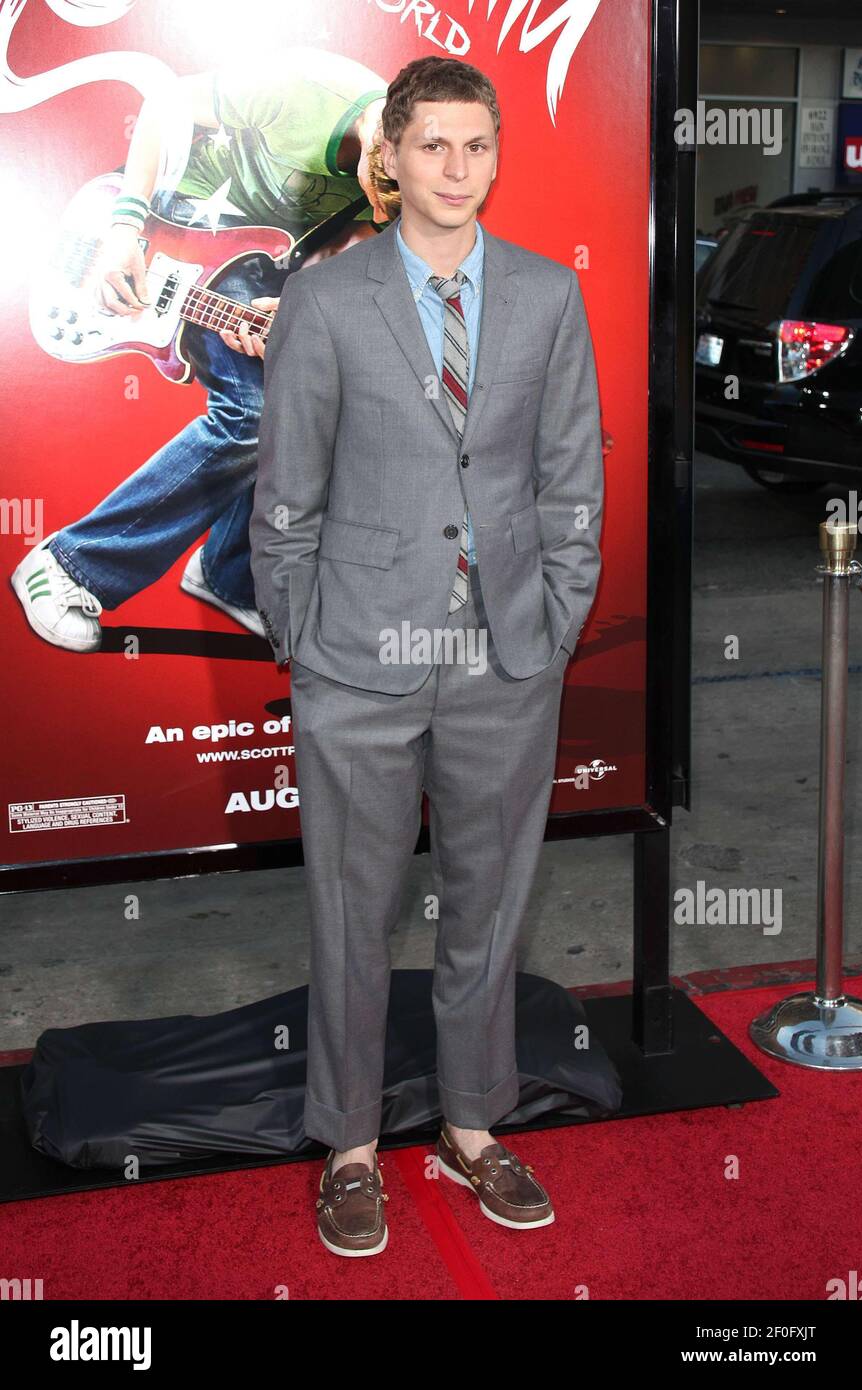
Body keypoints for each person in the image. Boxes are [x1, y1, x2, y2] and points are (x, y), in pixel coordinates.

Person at [250, 54, 604, 1256]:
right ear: (390, 159)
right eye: (434, 144)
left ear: (496, 158)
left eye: (477, 145)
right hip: (355, 653)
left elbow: (570, 476)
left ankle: (471, 1122)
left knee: (488, 905)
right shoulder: (324, 301)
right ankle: (349, 1144)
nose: (457, 168)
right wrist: (302, 638)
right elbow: (284, 493)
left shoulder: (548, 295)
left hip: (504, 653)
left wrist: (553, 621)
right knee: (352, 906)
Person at [12, 47, 391, 650]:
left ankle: (229, 575)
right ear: (380, 141)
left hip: (265, 259)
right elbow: (164, 106)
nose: (386, 209)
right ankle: (69, 565)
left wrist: (296, 310)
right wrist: (124, 228)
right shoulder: (302, 87)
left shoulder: (423, 180)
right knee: (256, 413)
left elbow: (338, 251)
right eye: (386, 191)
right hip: (178, 227)